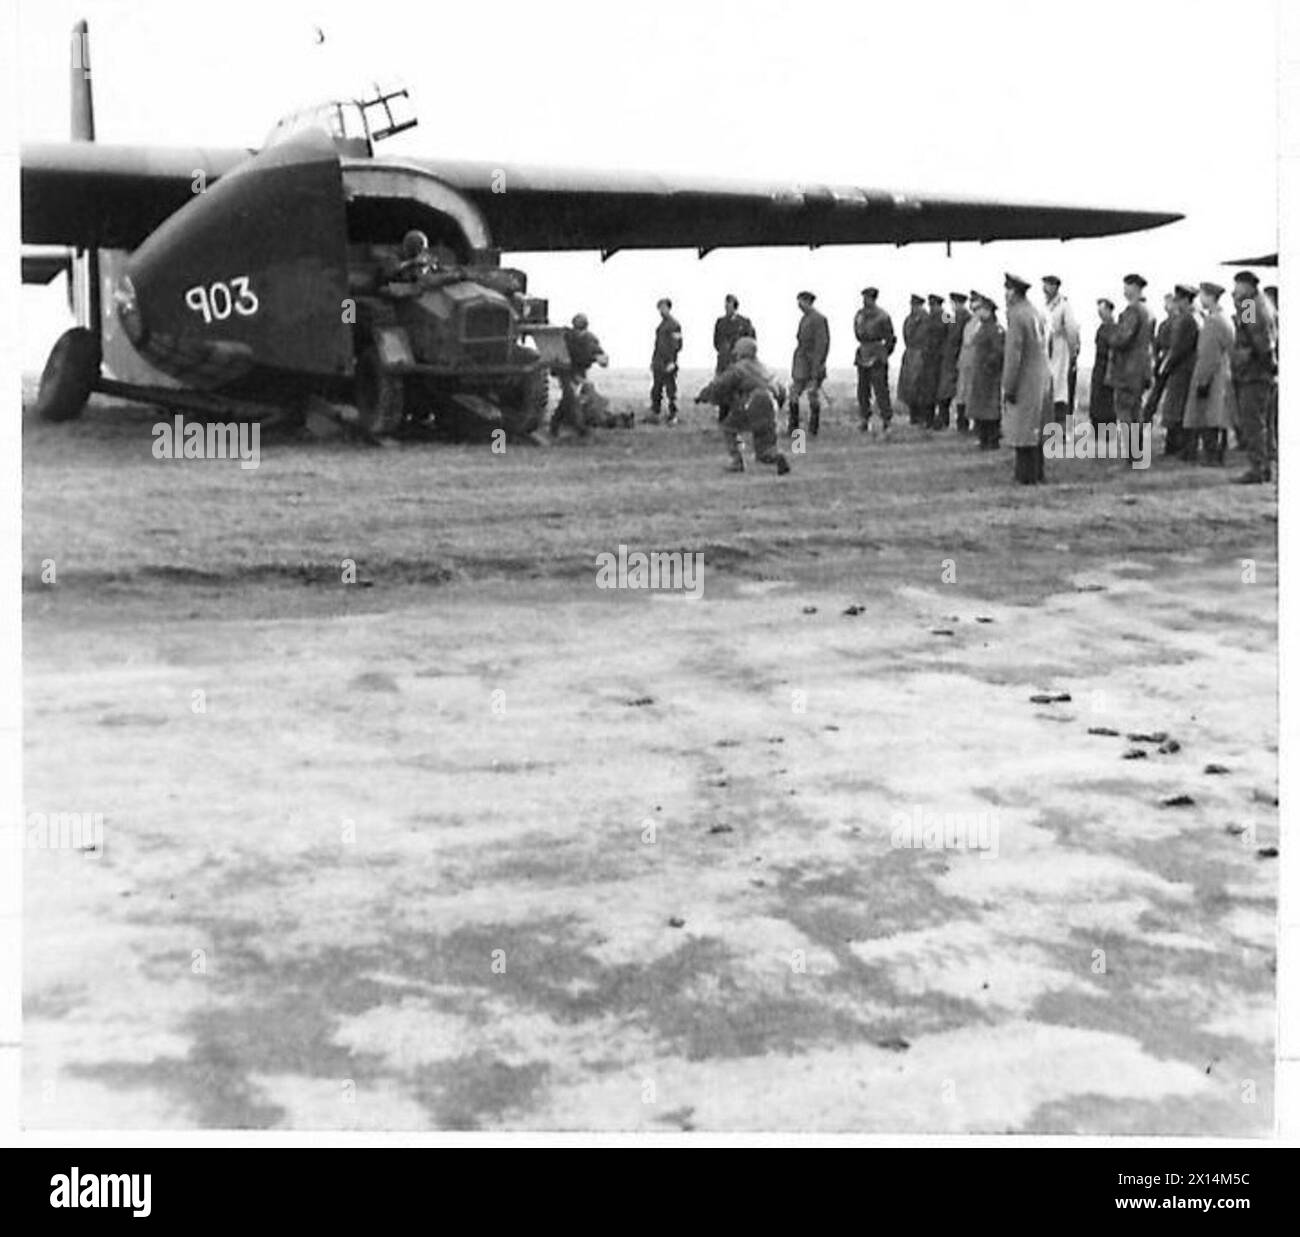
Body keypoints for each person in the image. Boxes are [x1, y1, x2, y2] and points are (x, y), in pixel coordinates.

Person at [695, 336, 791, 475]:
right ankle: (777, 457)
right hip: (771, 405)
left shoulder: (739, 368)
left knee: (729, 427)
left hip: (753, 402)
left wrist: (703, 395)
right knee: (764, 450)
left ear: (741, 351)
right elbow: (781, 390)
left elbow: (720, 384)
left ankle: (737, 461)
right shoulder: (764, 368)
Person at [1230, 269, 1278, 483]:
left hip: (1254, 374)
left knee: (1253, 423)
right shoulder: (1265, 303)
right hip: (1263, 372)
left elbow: (1257, 339)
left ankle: (1258, 468)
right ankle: (1264, 466)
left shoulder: (1249, 305)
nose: (1235, 291)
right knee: (1263, 422)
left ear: (1247, 285)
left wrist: (1251, 359)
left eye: (1237, 285)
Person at [1001, 273, 1050, 484]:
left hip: (1024, 379)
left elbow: (1014, 355)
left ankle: (1025, 476)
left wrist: (1009, 386)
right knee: (1036, 429)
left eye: (1007, 289)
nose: (1005, 294)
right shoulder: (1036, 312)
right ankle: (1038, 473)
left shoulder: (1016, 315)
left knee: (1022, 430)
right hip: (1040, 378)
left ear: (1013, 292)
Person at [1183, 282, 1234, 465]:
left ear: (1210, 297)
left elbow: (1207, 354)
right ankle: (1216, 455)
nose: (1200, 299)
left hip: (1213, 375)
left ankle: (1212, 457)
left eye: (1203, 295)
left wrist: (1202, 380)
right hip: (1222, 373)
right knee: (1218, 417)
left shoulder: (1213, 321)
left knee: (1209, 417)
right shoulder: (1222, 318)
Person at [1107, 273, 1155, 444]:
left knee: (1126, 412)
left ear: (1134, 288)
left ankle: (1131, 454)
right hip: (1142, 368)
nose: (1124, 290)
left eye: (1126, 286)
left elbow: (1123, 338)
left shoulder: (1133, 310)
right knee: (1136, 410)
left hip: (1128, 369)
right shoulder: (1148, 310)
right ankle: (1138, 452)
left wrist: (1110, 337)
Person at [1153, 285, 1199, 457]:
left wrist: (1166, 365)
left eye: (1179, 300)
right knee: (1176, 408)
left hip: (1182, 369)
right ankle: (1176, 446)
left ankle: (1180, 447)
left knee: (1178, 408)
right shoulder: (1185, 318)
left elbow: (1178, 347)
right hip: (1180, 368)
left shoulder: (1187, 320)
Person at [551, 312, 609, 437]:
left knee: (568, 399)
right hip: (568, 371)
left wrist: (598, 357)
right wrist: (597, 357)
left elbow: (598, 356)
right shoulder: (571, 337)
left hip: (573, 371)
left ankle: (557, 426)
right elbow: (594, 355)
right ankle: (579, 428)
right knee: (571, 398)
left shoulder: (570, 337)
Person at [853, 286, 896, 433]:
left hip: (877, 355)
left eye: (868, 298)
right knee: (862, 390)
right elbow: (857, 333)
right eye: (864, 298)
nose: (865, 301)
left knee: (881, 390)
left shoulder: (883, 316)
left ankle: (886, 420)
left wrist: (883, 353)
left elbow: (890, 339)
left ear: (874, 299)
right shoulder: (859, 315)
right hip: (863, 353)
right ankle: (864, 419)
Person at [789, 290, 830, 434]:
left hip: (812, 362)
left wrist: (816, 367)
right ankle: (793, 428)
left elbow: (822, 344)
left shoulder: (819, 319)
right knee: (794, 393)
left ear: (807, 302)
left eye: (801, 301)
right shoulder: (805, 319)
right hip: (802, 362)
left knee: (812, 395)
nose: (799, 305)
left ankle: (813, 429)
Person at [1042, 276, 1081, 425]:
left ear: (1056, 287)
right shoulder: (1046, 306)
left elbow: (1071, 331)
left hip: (1060, 351)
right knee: (1050, 391)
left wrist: (1073, 355)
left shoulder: (1063, 306)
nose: (1045, 289)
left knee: (1061, 392)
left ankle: (1063, 428)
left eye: (1049, 285)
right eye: (1044, 285)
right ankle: (1050, 426)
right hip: (1047, 352)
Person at [967, 295, 1005, 449]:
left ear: (988, 311)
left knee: (990, 408)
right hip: (979, 373)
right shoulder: (978, 325)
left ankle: (992, 439)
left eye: (980, 309)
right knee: (980, 408)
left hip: (989, 375)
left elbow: (998, 352)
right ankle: (983, 438)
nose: (977, 311)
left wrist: (988, 366)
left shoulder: (994, 328)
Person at [937, 292, 971, 430]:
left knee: (960, 393)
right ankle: (944, 419)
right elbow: (944, 323)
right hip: (950, 358)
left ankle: (960, 422)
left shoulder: (965, 317)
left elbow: (956, 336)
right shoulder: (953, 316)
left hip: (957, 358)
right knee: (946, 391)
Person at [648, 297, 683, 424]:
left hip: (668, 362)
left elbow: (677, 345)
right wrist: (653, 361)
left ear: (669, 308)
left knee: (670, 391)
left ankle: (673, 415)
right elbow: (657, 346)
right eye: (660, 308)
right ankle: (655, 414)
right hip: (659, 362)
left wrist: (672, 362)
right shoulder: (661, 326)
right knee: (656, 390)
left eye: (663, 307)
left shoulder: (674, 325)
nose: (661, 311)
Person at [898, 294, 929, 424]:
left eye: (916, 305)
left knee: (920, 387)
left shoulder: (929, 318)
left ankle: (921, 416)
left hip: (922, 354)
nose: (914, 308)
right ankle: (914, 416)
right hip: (911, 353)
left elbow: (952, 321)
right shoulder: (909, 319)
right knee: (910, 388)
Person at [954, 291, 983, 432]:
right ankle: (962, 422)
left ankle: (969, 423)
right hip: (965, 359)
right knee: (963, 392)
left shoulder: (966, 318)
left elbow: (968, 340)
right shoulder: (966, 319)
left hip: (973, 360)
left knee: (970, 391)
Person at [1090, 299, 1117, 424]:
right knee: (1097, 398)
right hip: (1099, 366)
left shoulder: (1114, 328)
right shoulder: (1102, 327)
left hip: (1108, 368)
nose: (1100, 313)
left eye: (1102, 310)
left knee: (1106, 400)